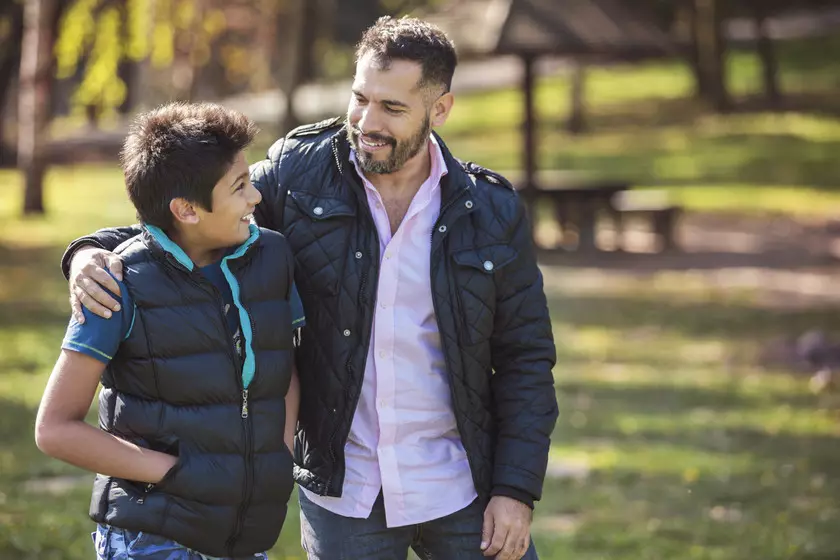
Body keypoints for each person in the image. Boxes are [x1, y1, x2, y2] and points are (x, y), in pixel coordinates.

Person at [61, 16, 558, 560]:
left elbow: (525, 360)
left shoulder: (492, 210)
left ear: (440, 109)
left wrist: (515, 491)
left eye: (392, 108)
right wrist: (88, 249)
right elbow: (191, 213)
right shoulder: (299, 172)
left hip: (465, 486)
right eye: (360, 97)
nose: (367, 121)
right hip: (344, 492)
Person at [36, 102, 305, 560]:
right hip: (153, 540)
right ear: (186, 209)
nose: (256, 197)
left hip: (246, 539)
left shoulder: (272, 258)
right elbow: (54, 428)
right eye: (239, 186)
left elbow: (283, 365)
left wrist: (275, 455)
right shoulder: (114, 283)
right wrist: (174, 471)